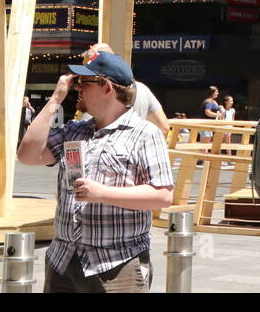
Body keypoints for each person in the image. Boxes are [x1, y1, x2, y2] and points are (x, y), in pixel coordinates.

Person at [18, 51, 174, 293]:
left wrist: (102, 193)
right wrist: (55, 100)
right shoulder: (74, 130)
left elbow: (162, 195)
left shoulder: (145, 133)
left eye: (85, 83)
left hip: (116, 263)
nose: (78, 88)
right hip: (63, 259)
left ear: (108, 88)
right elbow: (27, 155)